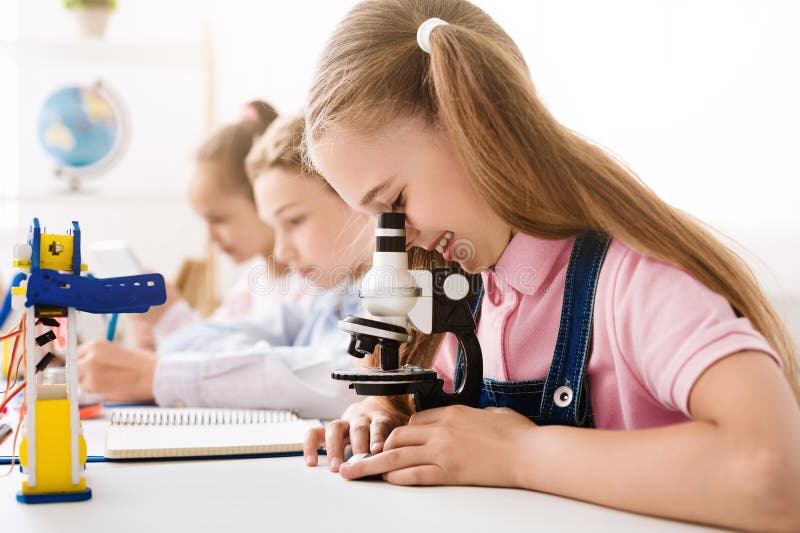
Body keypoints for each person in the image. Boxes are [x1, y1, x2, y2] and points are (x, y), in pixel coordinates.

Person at [300, 1, 800, 531]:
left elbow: (777, 477)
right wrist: (383, 420)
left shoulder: (633, 279)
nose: (400, 241)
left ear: (471, 125)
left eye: (395, 202)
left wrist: (520, 454)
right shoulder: (469, 291)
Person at [78, 113, 371, 419]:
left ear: (355, 196)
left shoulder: (394, 290)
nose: (281, 252)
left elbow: (346, 380)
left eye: (294, 221)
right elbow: (245, 341)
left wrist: (157, 374)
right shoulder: (329, 299)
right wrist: (157, 352)